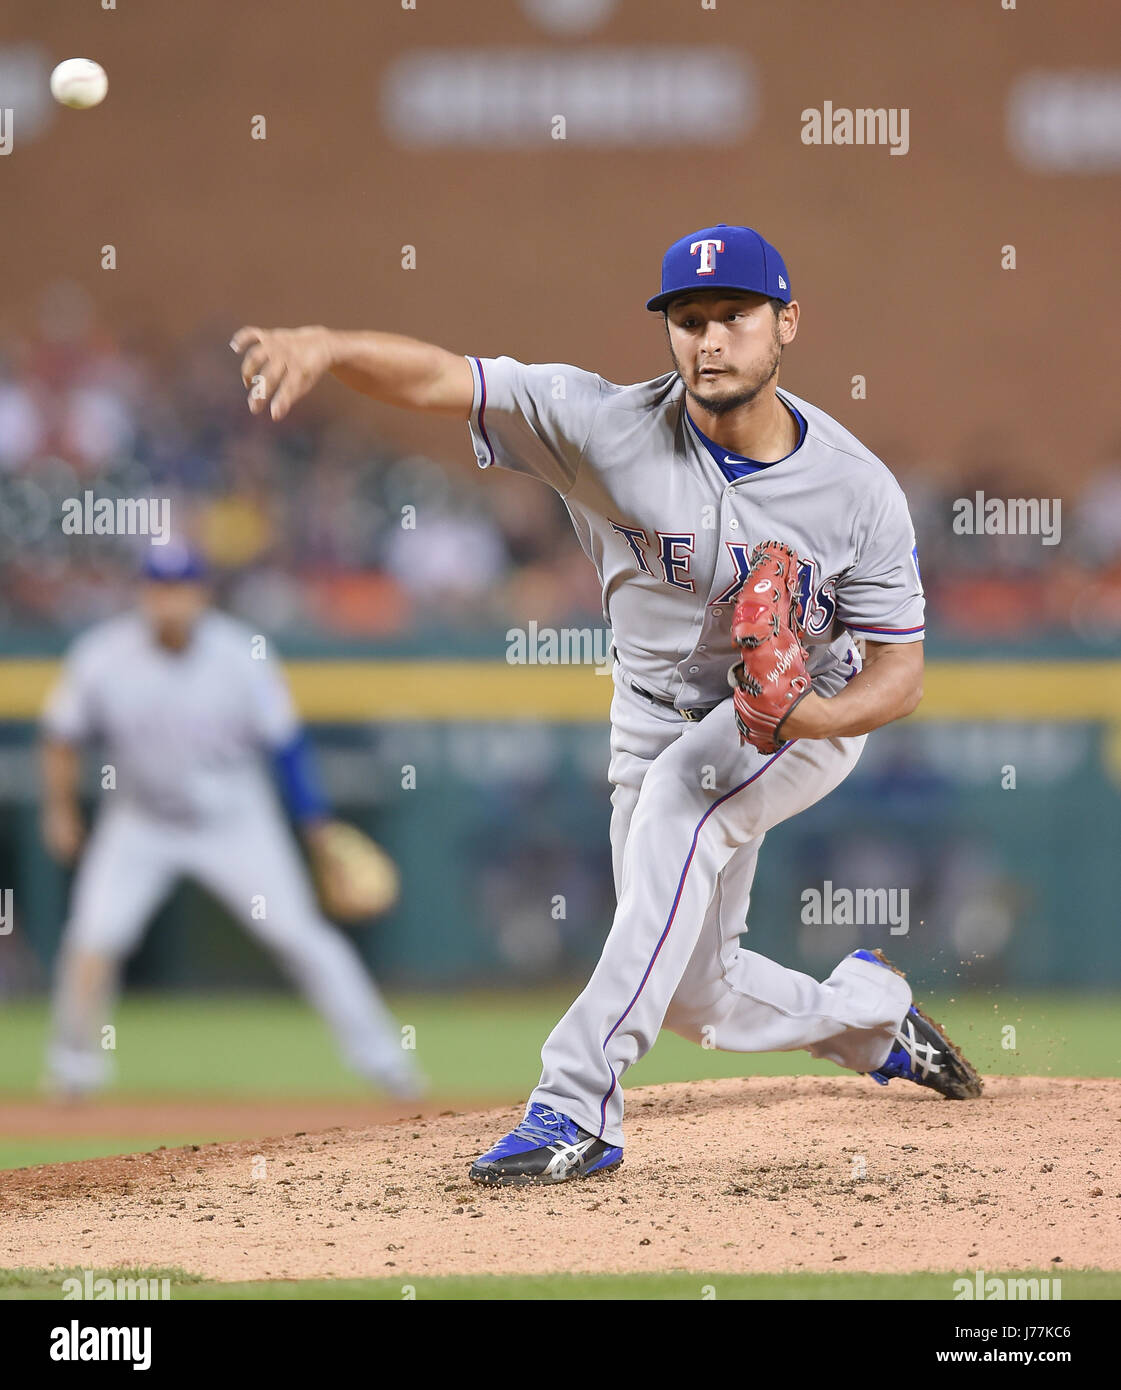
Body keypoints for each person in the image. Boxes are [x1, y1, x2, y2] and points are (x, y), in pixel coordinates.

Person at [230, 221, 981, 1186]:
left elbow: (900, 675)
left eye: (734, 317)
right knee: (696, 993)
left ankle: (573, 1106)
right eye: (687, 319)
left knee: (684, 800)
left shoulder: (855, 489)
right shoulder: (600, 424)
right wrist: (331, 350)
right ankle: (870, 1019)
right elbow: (442, 380)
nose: (709, 340)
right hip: (650, 715)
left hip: (806, 711)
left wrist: (801, 718)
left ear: (786, 323)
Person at [41, 544, 423, 1100]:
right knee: (94, 938)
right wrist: (59, 810)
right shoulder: (102, 654)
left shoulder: (242, 652)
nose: (169, 600)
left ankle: (391, 1067)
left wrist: (315, 824)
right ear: (143, 593)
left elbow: (287, 746)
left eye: (181, 587)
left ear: (202, 593)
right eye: (159, 587)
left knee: (300, 937)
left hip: (234, 821)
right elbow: (60, 735)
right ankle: (73, 1074)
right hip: (139, 821)